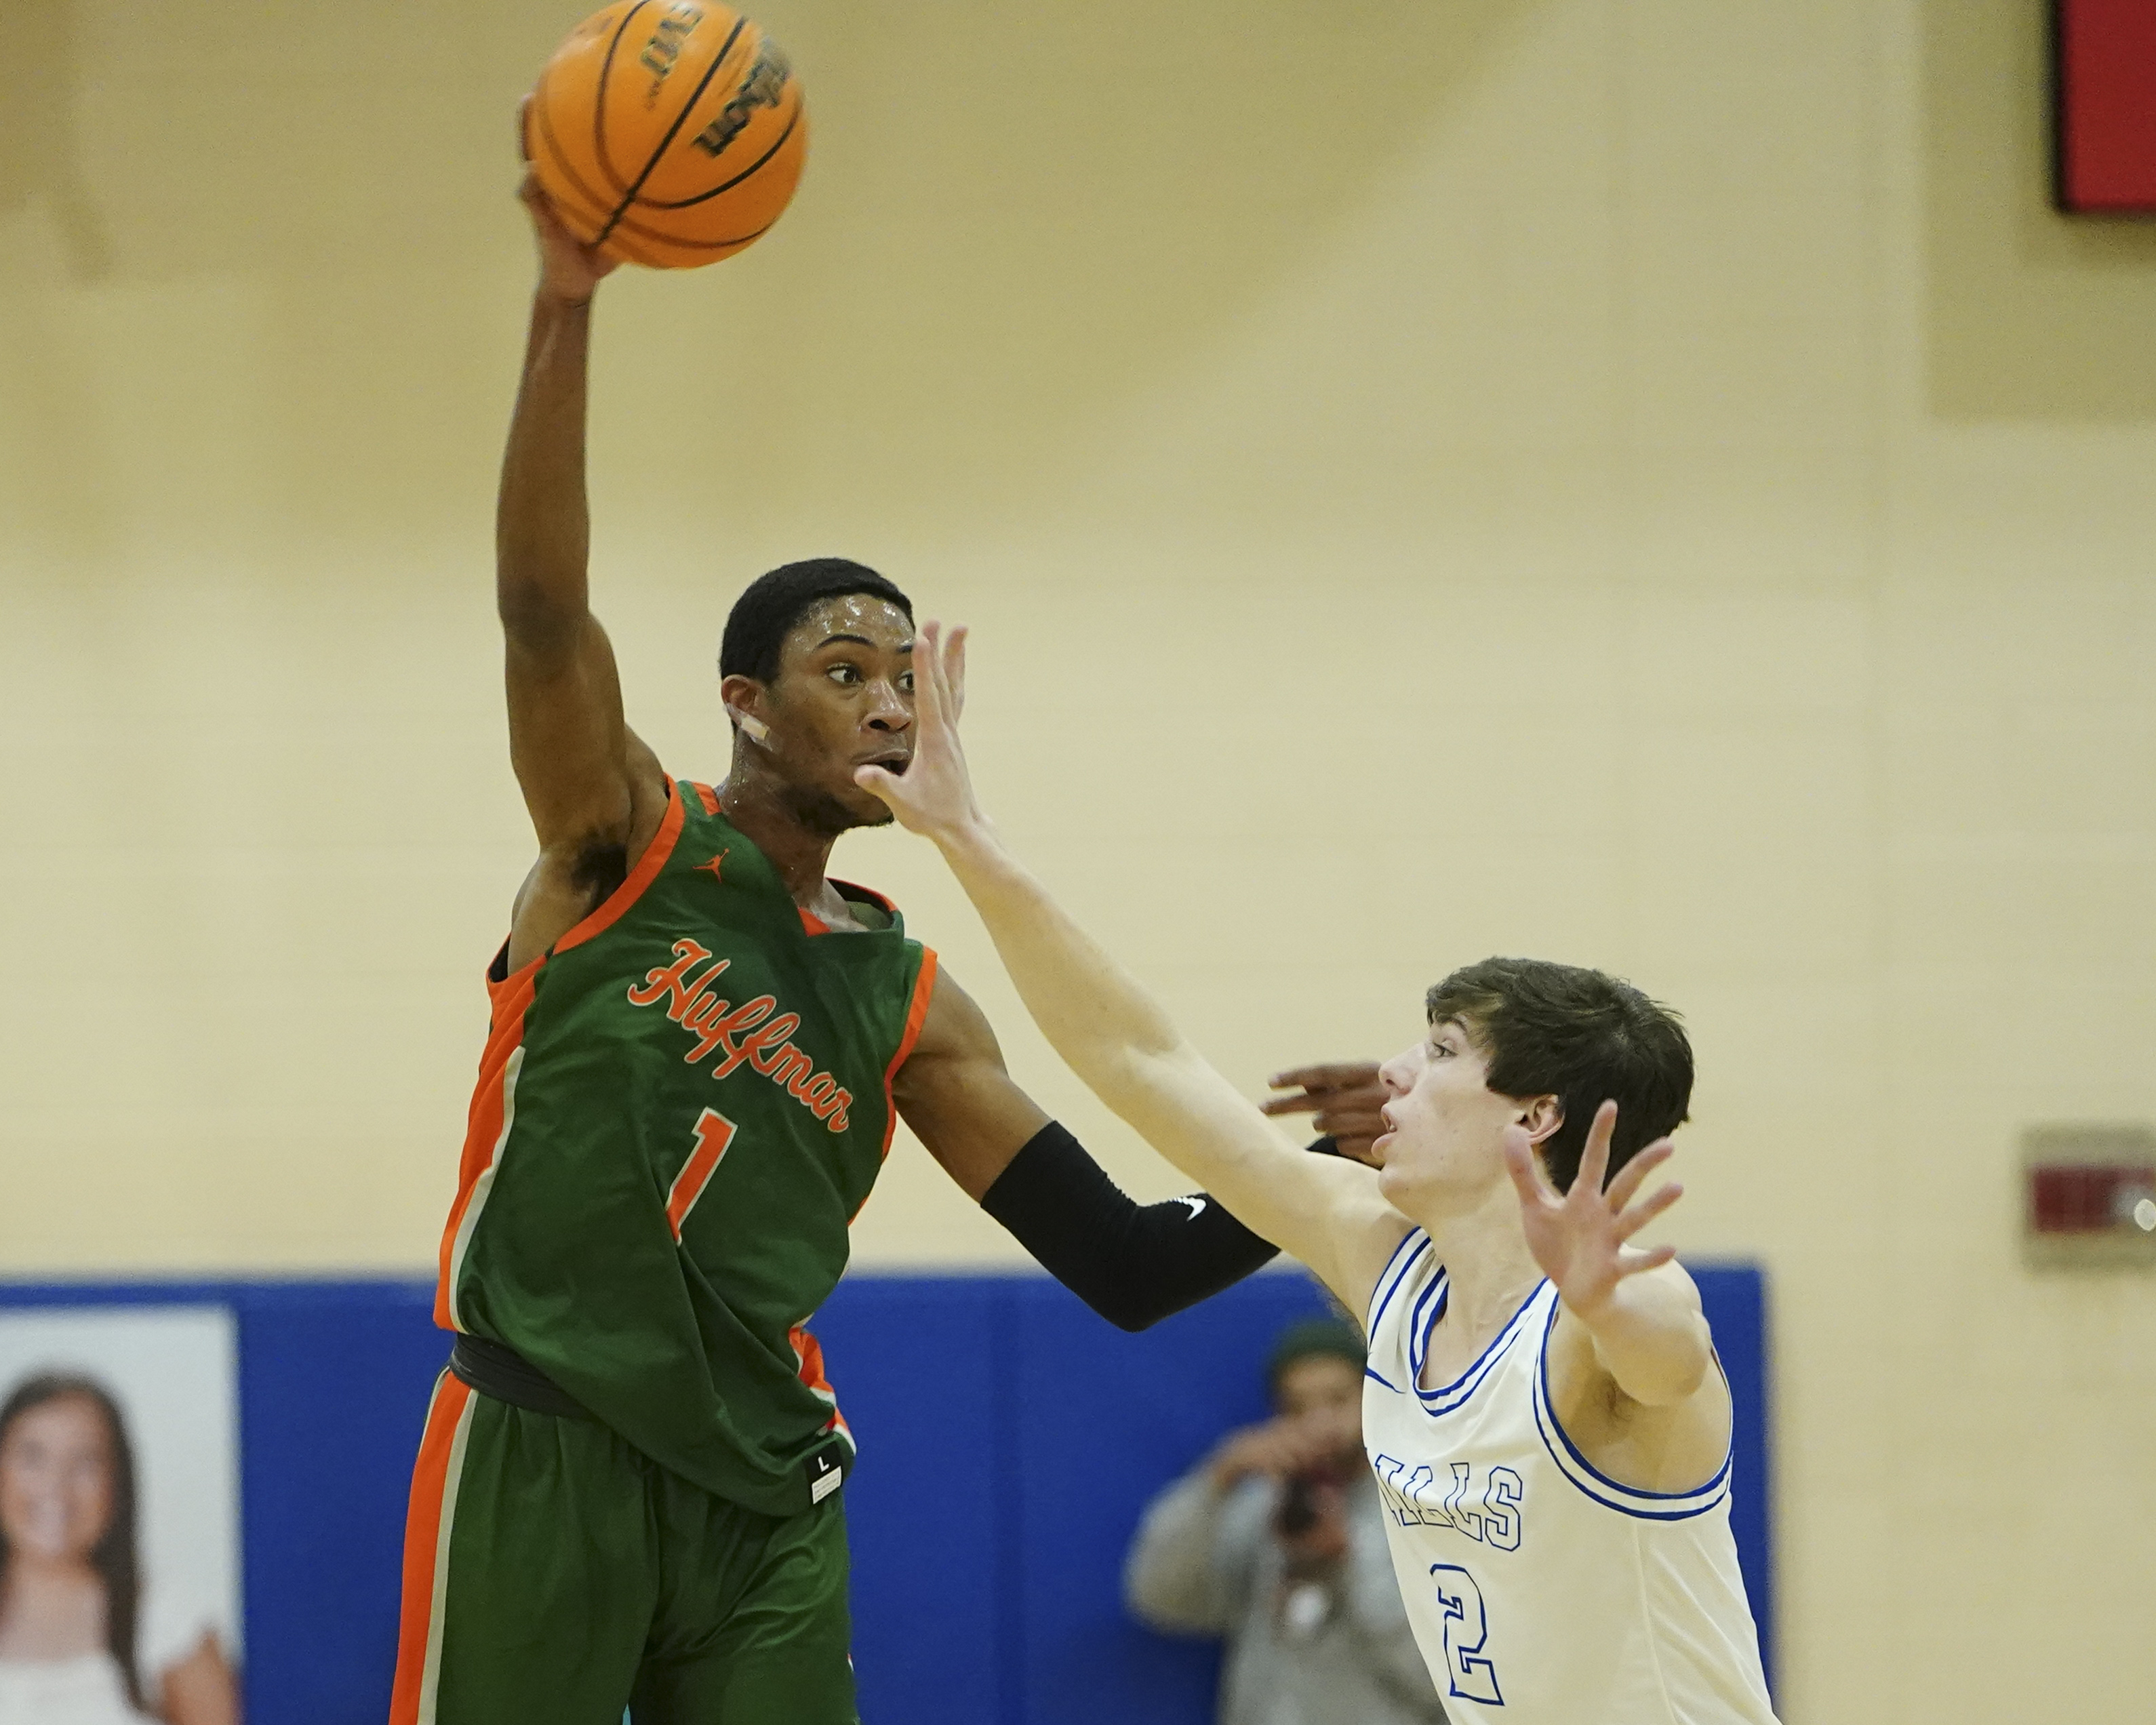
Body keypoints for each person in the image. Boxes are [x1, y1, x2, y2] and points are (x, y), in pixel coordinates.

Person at [388, 174, 1367, 1725]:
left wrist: (1311, 1165)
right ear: (747, 701)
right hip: (545, 1437)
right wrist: (564, 306)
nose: (893, 704)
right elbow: (534, 605)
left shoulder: (909, 1000)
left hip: (762, 1490)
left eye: (908, 677)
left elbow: (1124, 1266)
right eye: (847, 670)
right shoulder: (620, 841)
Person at [861, 624, 1782, 1725]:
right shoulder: (1381, 1256)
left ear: (1535, 1112)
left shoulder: (1610, 1307)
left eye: (1439, 1052)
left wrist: (1607, 1300)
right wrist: (967, 839)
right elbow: (1146, 1061)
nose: (1395, 1069)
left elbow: (1672, 1358)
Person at [1125, 1318, 1448, 1725]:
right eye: (1297, 1408)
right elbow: (1160, 1600)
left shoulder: (1428, 1517)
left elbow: (1441, 1683)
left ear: (1377, 1401)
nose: (1317, 1424)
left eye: (1338, 1401)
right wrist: (1218, 1478)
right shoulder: (1260, 1508)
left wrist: (1351, 1560)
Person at [0, 1376, 239, 1725]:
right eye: (33, 1458)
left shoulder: (168, 1622)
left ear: (117, 1483)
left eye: (86, 1462)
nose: (57, 1487)